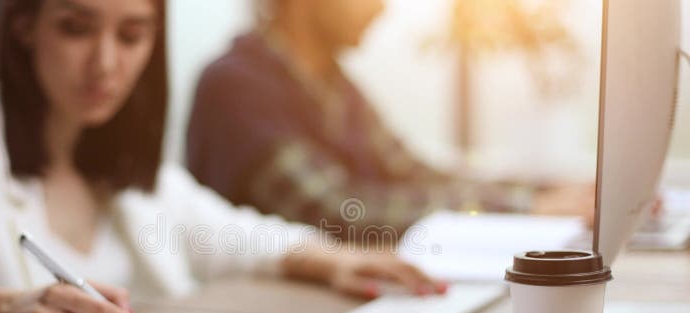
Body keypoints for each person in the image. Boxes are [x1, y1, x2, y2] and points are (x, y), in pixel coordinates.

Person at [0, 0, 436, 313]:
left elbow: (234, 235)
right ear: (25, 25)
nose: (106, 64)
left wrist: (332, 258)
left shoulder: (121, 166)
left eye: (132, 35)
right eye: (76, 28)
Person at [186, 0, 594, 238]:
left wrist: (546, 190)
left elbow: (413, 172)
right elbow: (339, 210)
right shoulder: (236, 86)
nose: (383, 7)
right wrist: (524, 208)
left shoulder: (333, 83)